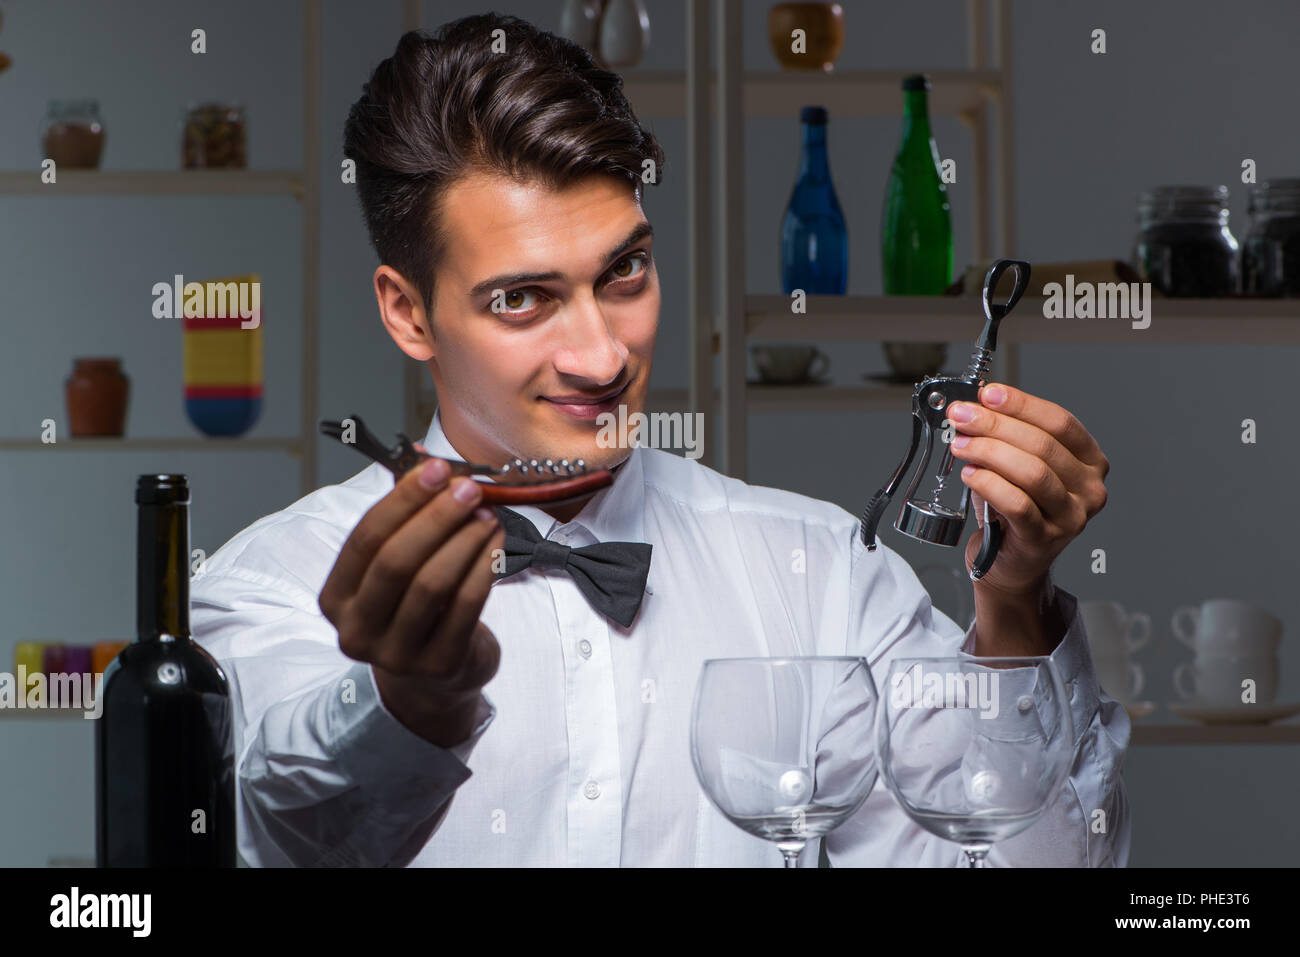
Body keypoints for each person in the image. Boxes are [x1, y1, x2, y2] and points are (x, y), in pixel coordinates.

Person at [190, 12, 1128, 867]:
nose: (601, 355)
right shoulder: (268, 583)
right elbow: (287, 837)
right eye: (523, 298)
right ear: (409, 313)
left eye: (625, 272)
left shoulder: (824, 571)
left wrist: (1013, 605)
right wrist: (410, 704)